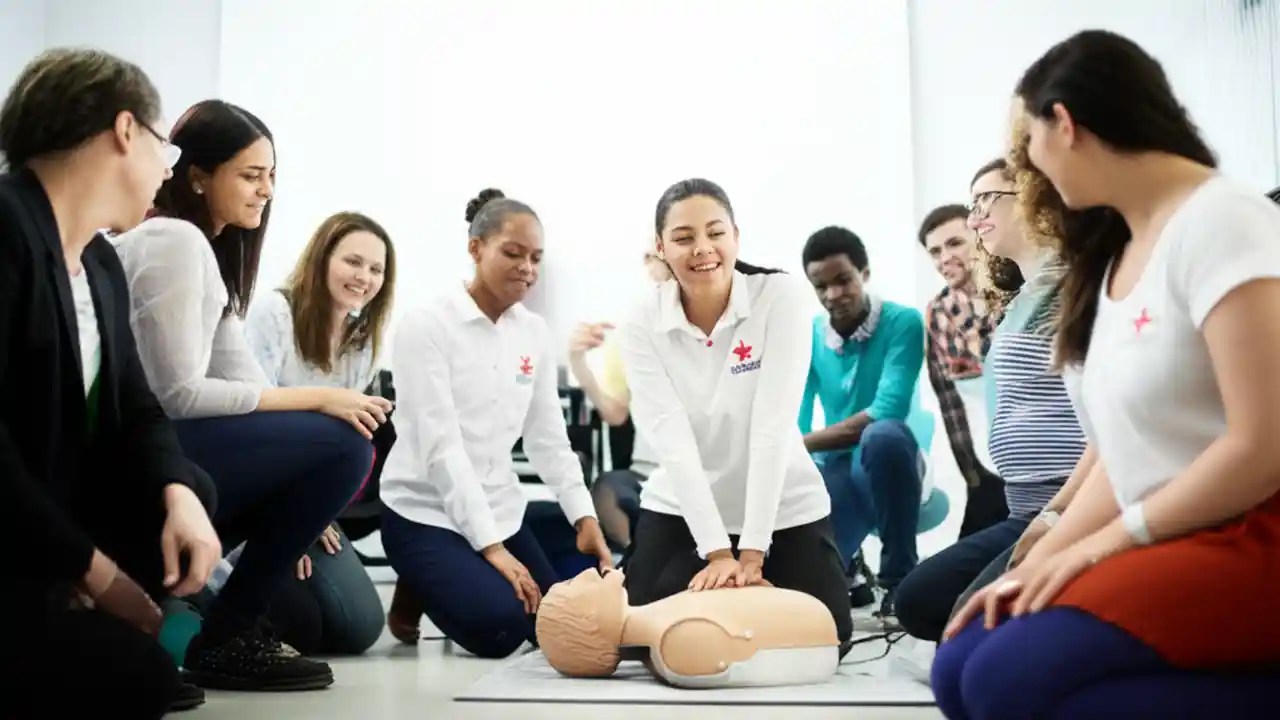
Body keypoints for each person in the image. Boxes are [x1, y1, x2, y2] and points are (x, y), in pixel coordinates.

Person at [934, 30, 1280, 719]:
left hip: (1246, 532)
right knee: (963, 659)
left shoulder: (1225, 220)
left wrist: (1105, 546)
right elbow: (1121, 459)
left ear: (1064, 124)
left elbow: (1263, 447)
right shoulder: (1120, 252)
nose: (1031, 164)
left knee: (1004, 679)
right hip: (1168, 529)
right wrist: (1040, 558)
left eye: (1030, 142)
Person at [112, 99, 392, 691]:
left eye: (271, 176)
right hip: (142, 462)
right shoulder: (174, 242)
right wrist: (318, 401)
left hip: (172, 455)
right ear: (196, 176)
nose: (265, 191)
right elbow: (178, 393)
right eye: (250, 175)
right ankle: (228, 631)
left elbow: (247, 386)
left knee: (347, 617)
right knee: (344, 445)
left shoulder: (203, 251)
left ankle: (222, 620)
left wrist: (297, 487)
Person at [0, 48, 221, 717]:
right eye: (167, 152)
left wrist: (180, 496)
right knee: (138, 681)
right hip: (15, 529)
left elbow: (136, 408)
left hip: (47, 530)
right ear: (127, 131)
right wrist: (94, 570)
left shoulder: (98, 262)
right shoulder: (7, 230)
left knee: (187, 490)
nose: (165, 173)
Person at [618, 178, 854, 656]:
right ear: (661, 247)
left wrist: (751, 555)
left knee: (831, 640)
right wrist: (718, 554)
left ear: (736, 237)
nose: (702, 249)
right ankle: (721, 608)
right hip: (683, 507)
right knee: (634, 644)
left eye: (715, 232)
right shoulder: (641, 319)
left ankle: (720, 611)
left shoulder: (779, 296)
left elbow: (770, 428)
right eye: (683, 238)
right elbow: (673, 442)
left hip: (782, 507)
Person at [379, 188, 612, 659]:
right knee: (500, 631)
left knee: (553, 624)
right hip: (425, 511)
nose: (527, 267)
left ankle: (443, 576)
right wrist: (493, 550)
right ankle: (421, 579)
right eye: (513, 253)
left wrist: (584, 516)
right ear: (475, 248)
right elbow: (441, 449)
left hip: (500, 507)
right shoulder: (425, 327)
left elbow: (548, 436)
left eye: (535, 258)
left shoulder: (533, 333)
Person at [894, 158, 1086, 644]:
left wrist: (1056, 519)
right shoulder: (1020, 297)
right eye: (972, 202)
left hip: (1069, 505)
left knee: (966, 634)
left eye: (986, 201)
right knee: (916, 602)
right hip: (1020, 506)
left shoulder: (1076, 288)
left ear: (1035, 199)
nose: (975, 216)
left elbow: (1107, 424)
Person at [235, 210, 397, 655]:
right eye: (353, 261)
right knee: (303, 623)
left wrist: (316, 517)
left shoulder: (364, 343)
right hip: (255, 495)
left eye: (376, 269)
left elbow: (340, 449)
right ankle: (197, 597)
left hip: (312, 502)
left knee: (359, 627)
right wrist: (285, 527)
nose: (363, 277)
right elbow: (250, 421)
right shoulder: (275, 312)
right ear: (322, 258)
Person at [799, 225, 933, 620]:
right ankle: (849, 570)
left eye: (843, 280)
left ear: (865, 273)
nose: (833, 294)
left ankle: (899, 580)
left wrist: (798, 443)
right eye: (820, 286)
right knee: (811, 583)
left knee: (882, 436)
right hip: (838, 465)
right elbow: (796, 413)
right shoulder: (809, 336)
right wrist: (790, 451)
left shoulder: (903, 322)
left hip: (890, 460)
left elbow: (885, 410)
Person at [567, 249, 671, 549]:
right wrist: (577, 363)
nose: (660, 260)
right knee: (608, 491)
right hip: (647, 471)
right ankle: (635, 561)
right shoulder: (630, 333)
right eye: (652, 254)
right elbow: (615, 414)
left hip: (705, 471)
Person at [917, 203, 1007, 537]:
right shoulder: (938, 314)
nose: (944, 258)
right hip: (988, 466)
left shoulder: (1016, 294)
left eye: (955, 243)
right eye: (935, 251)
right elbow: (949, 401)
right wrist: (972, 475)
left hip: (1047, 458)